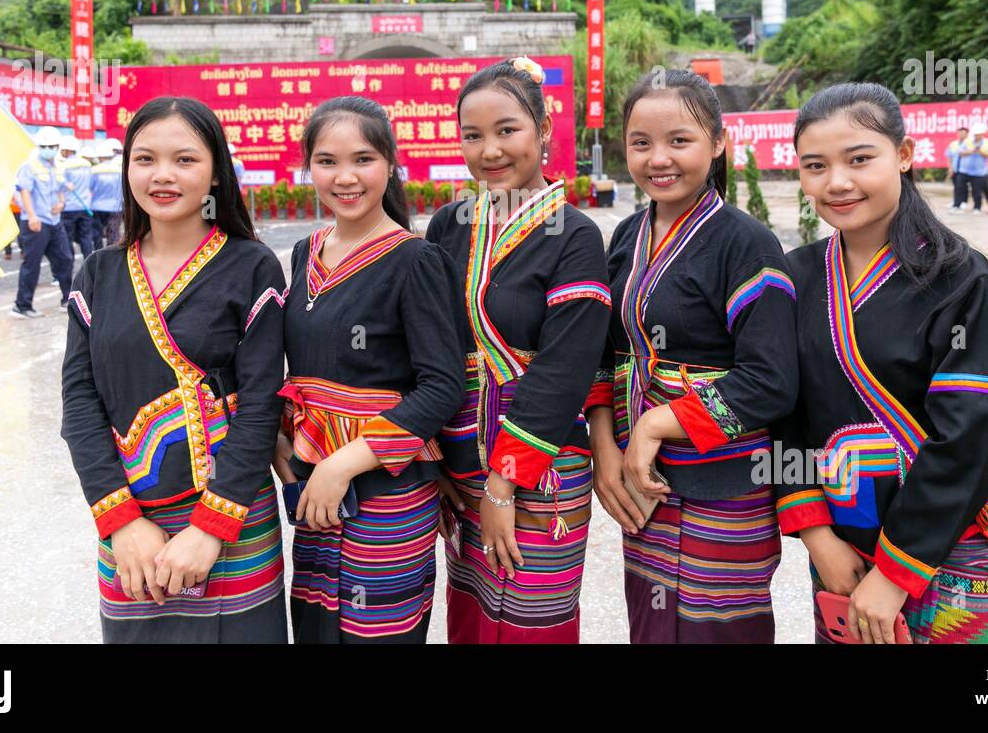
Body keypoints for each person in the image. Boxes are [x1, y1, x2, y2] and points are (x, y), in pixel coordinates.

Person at [778, 82, 988, 645]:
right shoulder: (794, 276)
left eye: (860, 159)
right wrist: (818, 537)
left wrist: (894, 572)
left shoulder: (962, 280)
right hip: (840, 551)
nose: (837, 182)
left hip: (943, 549)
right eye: (816, 166)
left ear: (904, 156)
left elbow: (975, 435)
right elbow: (784, 410)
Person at [61, 96, 288, 643]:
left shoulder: (251, 265)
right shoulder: (98, 272)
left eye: (185, 160)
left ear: (215, 173)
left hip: (231, 519)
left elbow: (262, 404)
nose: (163, 175)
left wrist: (210, 529)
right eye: (145, 159)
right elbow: (80, 403)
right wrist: (119, 522)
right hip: (130, 525)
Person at [587, 70, 798, 644]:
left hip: (724, 486)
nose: (659, 158)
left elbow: (771, 381)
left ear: (719, 145)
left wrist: (659, 420)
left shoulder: (745, 242)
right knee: (652, 629)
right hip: (645, 482)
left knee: (716, 632)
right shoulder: (626, 236)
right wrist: (606, 450)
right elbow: (603, 356)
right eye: (641, 142)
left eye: (679, 140)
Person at [425, 56, 612, 643]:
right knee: (472, 610)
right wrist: (438, 459)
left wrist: (504, 481)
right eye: (472, 135)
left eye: (507, 130)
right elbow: (430, 347)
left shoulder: (576, 235)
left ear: (542, 129)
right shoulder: (449, 225)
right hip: (460, 457)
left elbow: (566, 366)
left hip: (539, 463)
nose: (490, 151)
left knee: (532, 617)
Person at [275, 97, 465, 643]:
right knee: (316, 625)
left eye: (363, 159)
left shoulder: (415, 260)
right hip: (314, 480)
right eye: (327, 161)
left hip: (386, 488)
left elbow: (442, 385)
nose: (345, 177)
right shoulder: (303, 252)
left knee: (375, 630)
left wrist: (345, 465)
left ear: (390, 164)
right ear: (308, 167)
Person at [12, 126, 72, 318]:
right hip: (36, 222)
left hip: (55, 221)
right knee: (32, 264)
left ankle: (68, 299)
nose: (49, 149)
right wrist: (31, 216)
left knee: (65, 259)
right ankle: (22, 305)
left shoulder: (57, 166)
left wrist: (61, 204)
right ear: (39, 146)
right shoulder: (29, 166)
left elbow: (60, 188)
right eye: (45, 146)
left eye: (52, 146)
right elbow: (24, 192)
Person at [59, 135, 96, 260]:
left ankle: (69, 263)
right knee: (86, 237)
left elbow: (60, 186)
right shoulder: (87, 164)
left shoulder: (64, 165)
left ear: (68, 150)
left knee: (67, 238)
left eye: (62, 150)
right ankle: (88, 264)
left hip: (68, 207)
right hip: (85, 206)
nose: (61, 152)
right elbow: (91, 184)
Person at [90, 140, 123, 248]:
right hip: (116, 207)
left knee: (97, 233)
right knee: (113, 232)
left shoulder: (94, 170)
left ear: (100, 157)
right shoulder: (120, 170)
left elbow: (89, 188)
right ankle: (112, 255)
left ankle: (98, 254)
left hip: (97, 207)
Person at [957, 123, 988, 213]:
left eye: (978, 134)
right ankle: (960, 204)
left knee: (978, 190)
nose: (976, 136)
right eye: (975, 134)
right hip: (965, 170)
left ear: (982, 134)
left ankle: (978, 207)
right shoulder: (968, 141)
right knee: (960, 186)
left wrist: (981, 152)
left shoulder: (987, 142)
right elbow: (960, 152)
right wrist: (971, 151)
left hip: (979, 172)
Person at [945, 126, 968, 211]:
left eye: (963, 133)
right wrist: (950, 167)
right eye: (960, 133)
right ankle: (956, 202)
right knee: (956, 186)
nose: (961, 135)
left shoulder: (969, 144)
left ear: (967, 134)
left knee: (962, 186)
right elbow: (949, 156)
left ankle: (963, 202)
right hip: (955, 169)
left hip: (965, 169)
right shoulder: (953, 144)